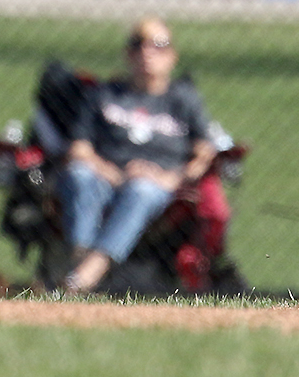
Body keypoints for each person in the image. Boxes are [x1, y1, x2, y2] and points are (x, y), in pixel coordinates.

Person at [56, 17, 217, 293]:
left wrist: (171, 178)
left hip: (157, 183)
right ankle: (80, 259)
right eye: (138, 45)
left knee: (141, 190)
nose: (147, 52)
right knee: (79, 174)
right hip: (105, 176)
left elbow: (205, 152)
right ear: (127, 54)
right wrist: (113, 174)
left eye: (158, 45)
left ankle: (88, 273)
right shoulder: (105, 94)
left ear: (172, 56)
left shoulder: (183, 100)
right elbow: (78, 148)